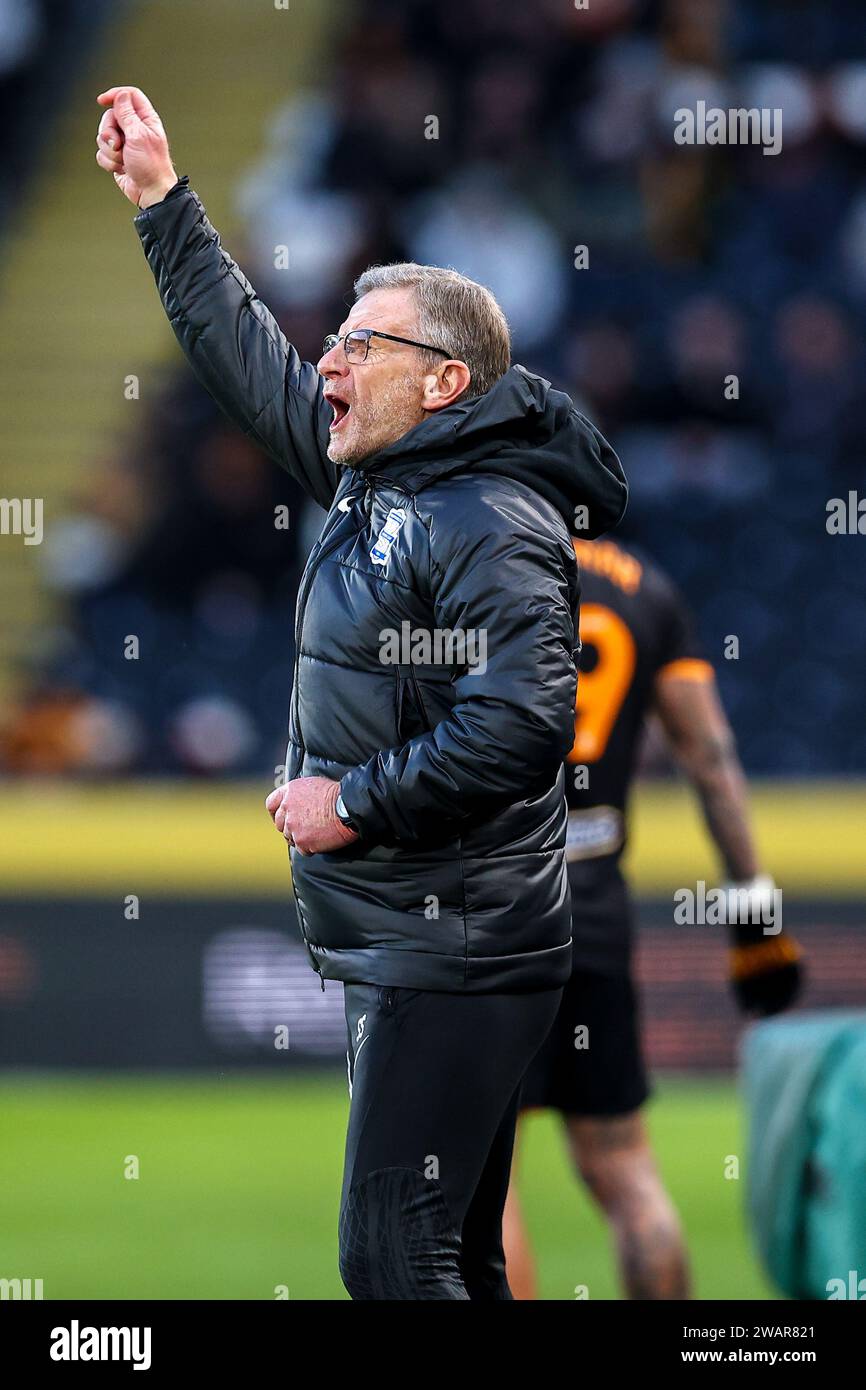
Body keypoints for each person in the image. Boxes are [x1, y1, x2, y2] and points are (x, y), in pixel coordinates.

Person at [95, 85, 628, 1300]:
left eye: (359, 342)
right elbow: (247, 360)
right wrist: (161, 204)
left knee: (392, 1264)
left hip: (455, 940)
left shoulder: (486, 513)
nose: (327, 358)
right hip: (420, 931)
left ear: (442, 382)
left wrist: (354, 803)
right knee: (451, 1262)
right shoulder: (385, 480)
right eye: (335, 336)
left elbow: (521, 721)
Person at [503, 536, 804, 1300]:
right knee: (628, 1172)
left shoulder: (477, 556)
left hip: (491, 913)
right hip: (595, 912)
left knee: (478, 1180)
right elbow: (708, 756)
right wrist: (754, 907)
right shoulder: (646, 590)